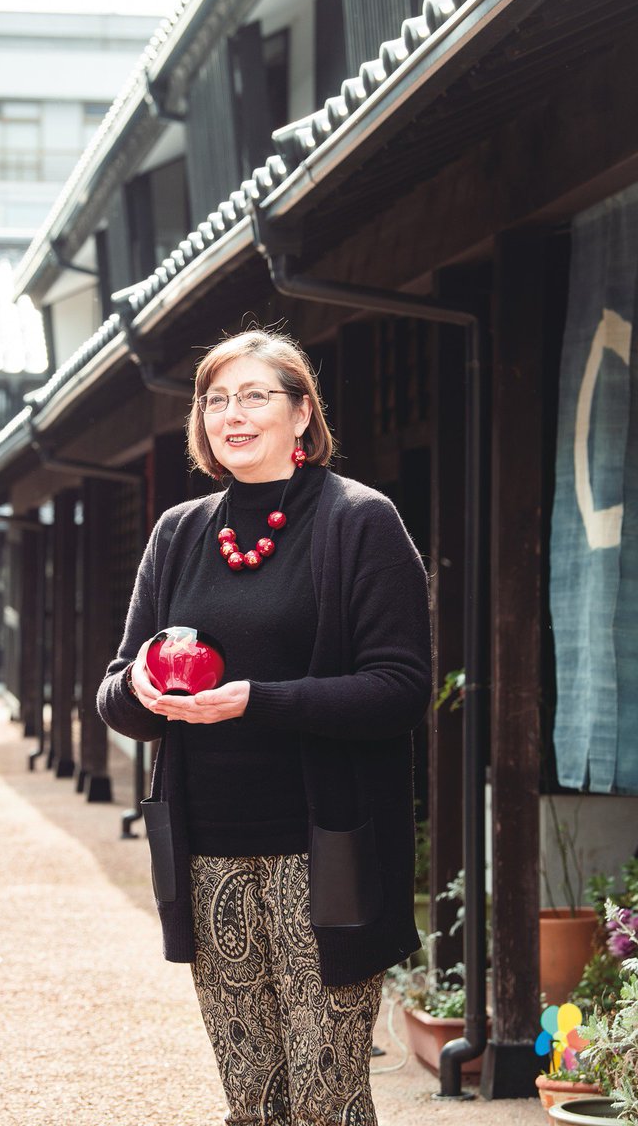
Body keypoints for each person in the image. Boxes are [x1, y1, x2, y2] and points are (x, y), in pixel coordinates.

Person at [97, 327, 432, 1126]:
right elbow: (115, 693)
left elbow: (399, 690)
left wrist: (259, 699)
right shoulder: (179, 532)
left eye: (254, 396)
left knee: (326, 1099)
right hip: (208, 851)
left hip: (326, 848)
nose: (232, 415)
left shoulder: (359, 520)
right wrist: (140, 687)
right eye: (216, 400)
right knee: (251, 1100)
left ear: (302, 412)